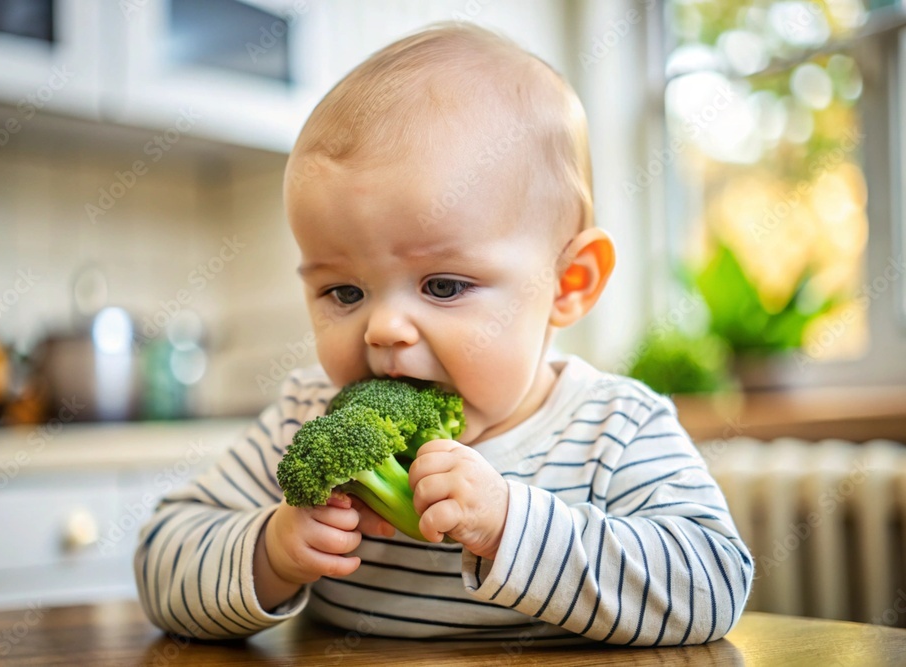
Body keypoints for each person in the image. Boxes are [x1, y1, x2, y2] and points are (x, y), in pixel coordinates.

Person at [134, 22, 753, 645]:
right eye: (344, 292)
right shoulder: (306, 418)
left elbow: (713, 583)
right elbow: (161, 559)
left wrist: (510, 527)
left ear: (569, 283)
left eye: (444, 286)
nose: (384, 329)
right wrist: (271, 550)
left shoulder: (614, 429)